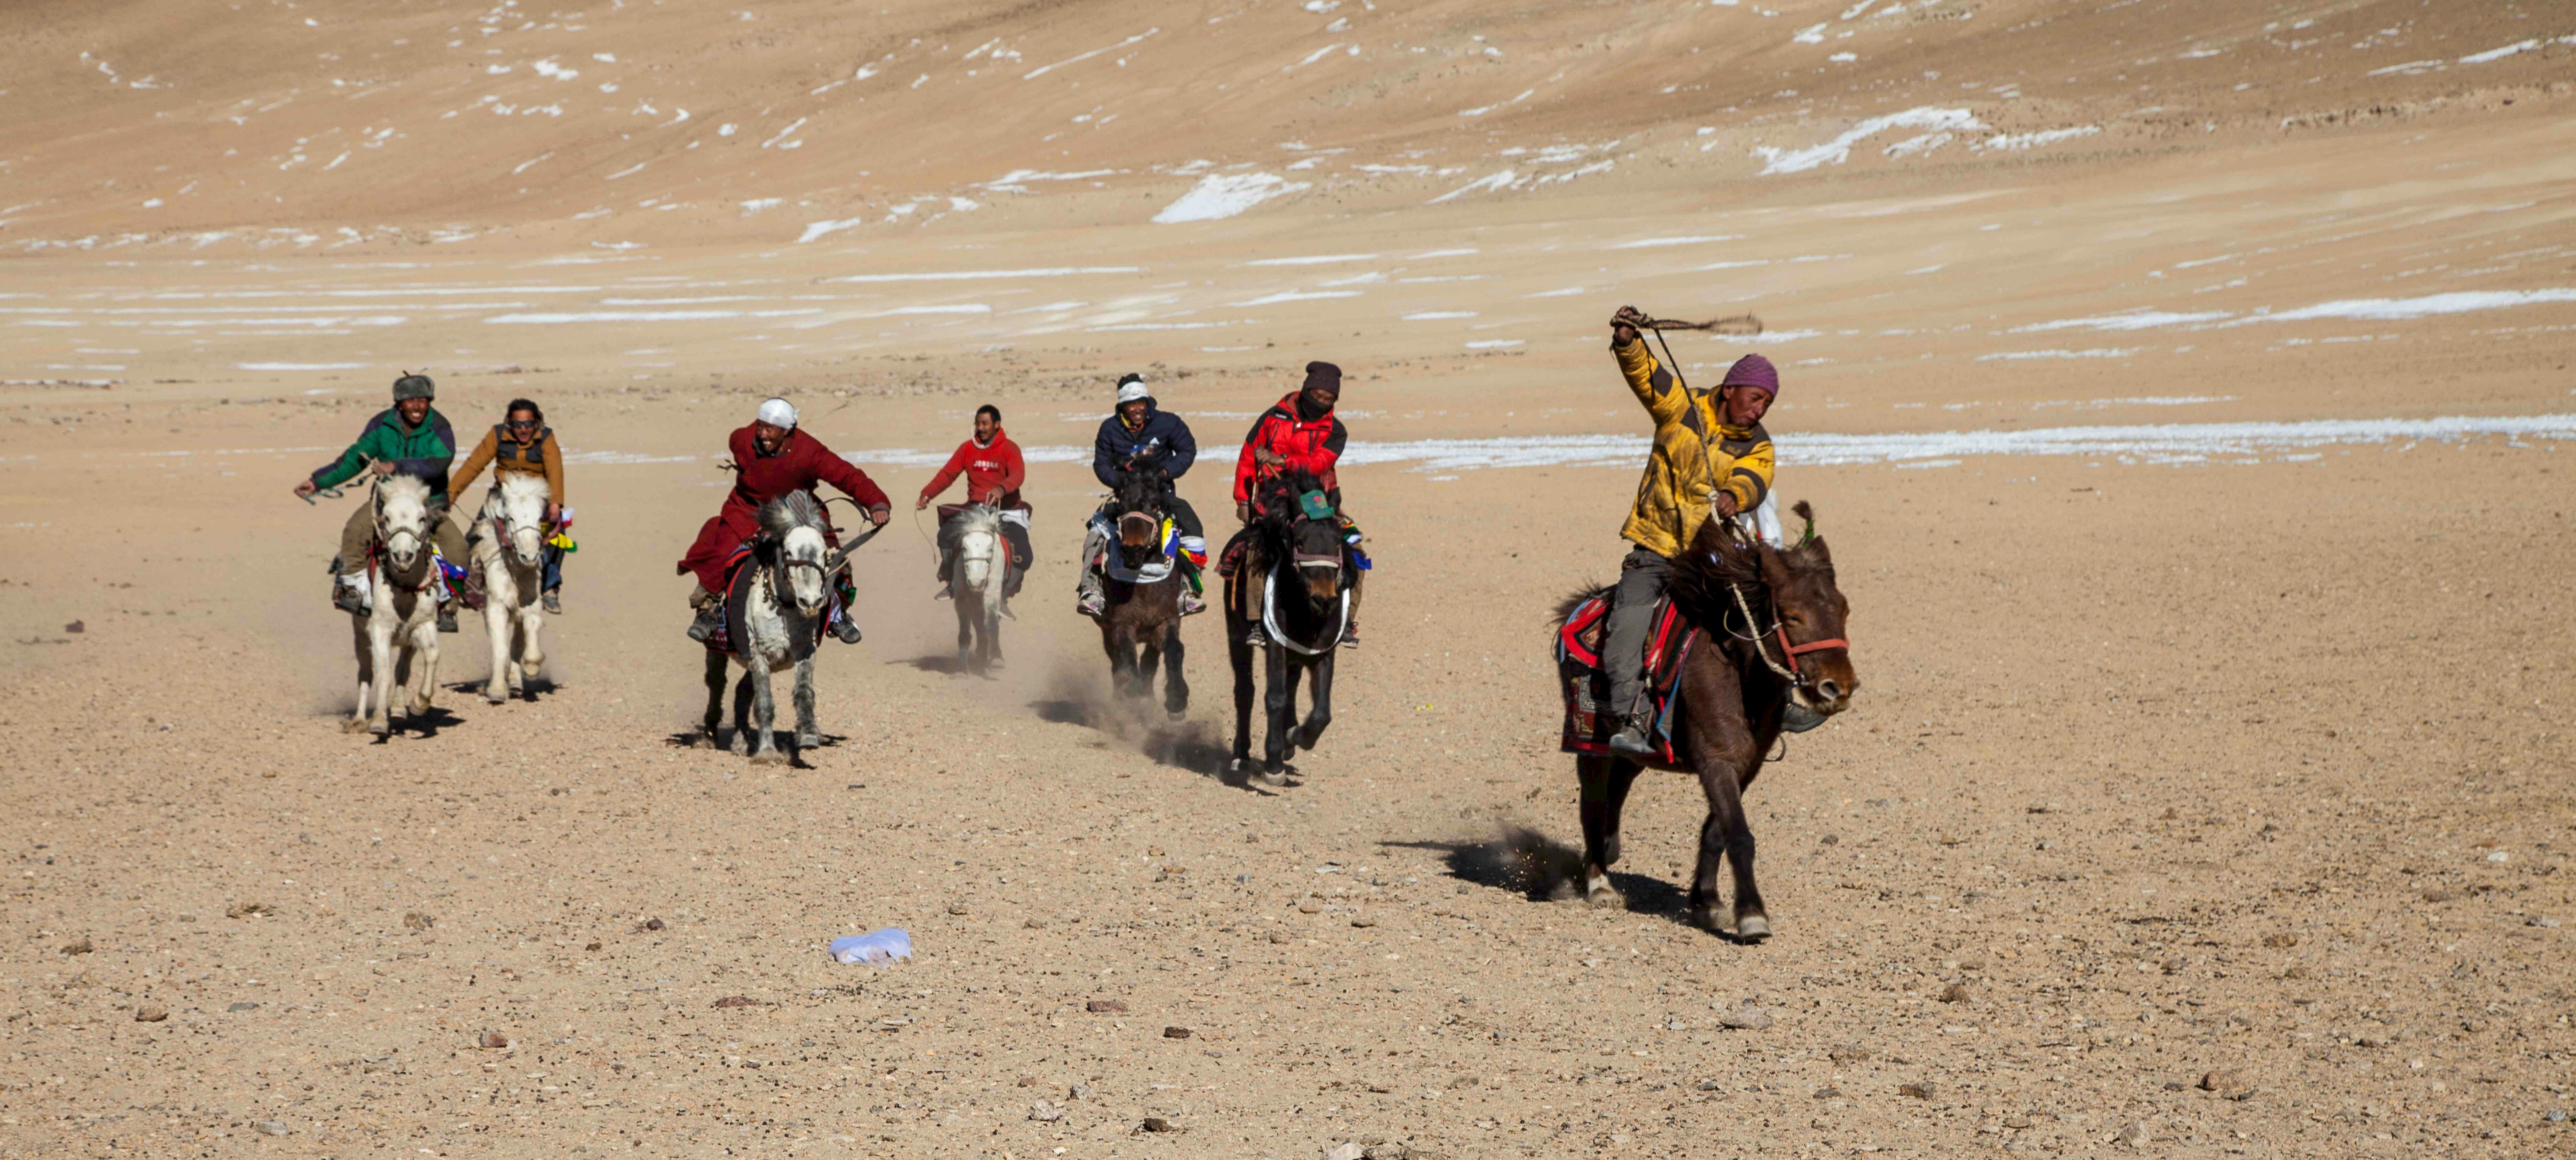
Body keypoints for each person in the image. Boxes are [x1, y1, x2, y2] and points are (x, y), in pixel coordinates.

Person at [1600, 305, 1777, 759]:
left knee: (1761, 618)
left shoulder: (1756, 443)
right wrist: (1627, 340)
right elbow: (1647, 375)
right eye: (1755, 398)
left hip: (1710, 558)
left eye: (1767, 404)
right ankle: (1630, 722)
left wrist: (1734, 496)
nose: (1759, 410)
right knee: (1625, 633)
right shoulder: (1681, 408)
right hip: (1655, 550)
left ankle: (1781, 705)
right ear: (1731, 389)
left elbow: (1756, 477)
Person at [675, 398, 890, 645]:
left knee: (832, 557)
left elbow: (847, 476)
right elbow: (738, 439)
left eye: (770, 429)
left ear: (787, 431)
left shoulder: (811, 452)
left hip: (795, 510)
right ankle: (708, 613)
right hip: (748, 510)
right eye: (761, 426)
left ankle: (837, 614)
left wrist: (877, 503)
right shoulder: (742, 441)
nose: (763, 435)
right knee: (721, 551)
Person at [294, 371, 479, 633]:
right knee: (354, 533)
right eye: (411, 401)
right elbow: (355, 460)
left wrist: (397, 465)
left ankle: (450, 608)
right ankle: (353, 591)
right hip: (387, 503)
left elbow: (440, 463)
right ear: (399, 403)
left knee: (458, 548)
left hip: (429, 504)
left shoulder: (439, 426)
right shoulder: (381, 426)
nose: (417, 407)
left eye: (423, 400)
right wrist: (318, 482)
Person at [1231, 360, 1364, 648]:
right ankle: (1255, 622)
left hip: (1320, 503)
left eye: (1330, 400)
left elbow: (1320, 464)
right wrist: (1243, 498)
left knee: (1355, 551)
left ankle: (1348, 622)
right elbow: (1248, 455)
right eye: (1318, 397)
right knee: (1257, 550)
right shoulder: (1272, 417)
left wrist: (1284, 461)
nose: (1322, 404)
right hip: (1274, 500)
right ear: (1305, 391)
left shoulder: (1336, 431)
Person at [1078, 373, 1207, 617]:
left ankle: (1188, 590)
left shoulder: (1168, 423)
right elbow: (1101, 464)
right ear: (1122, 407)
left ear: (1147, 402)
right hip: (1124, 497)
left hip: (1160, 494)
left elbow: (1188, 449)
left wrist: (1166, 472)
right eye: (1131, 404)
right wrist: (1120, 481)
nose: (1137, 409)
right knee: (1095, 533)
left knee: (1192, 527)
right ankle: (1091, 590)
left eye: (1141, 403)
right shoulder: (1110, 429)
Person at [449, 397, 570, 613]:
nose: (523, 429)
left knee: (557, 539)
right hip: (503, 495)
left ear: (537, 423)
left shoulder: (546, 438)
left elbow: (555, 470)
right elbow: (473, 466)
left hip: (536, 496)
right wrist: (451, 495)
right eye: (517, 424)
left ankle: (550, 589)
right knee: (475, 538)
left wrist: (555, 504)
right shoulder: (497, 435)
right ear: (509, 423)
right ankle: (468, 588)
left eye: (528, 424)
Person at [915, 404, 1031, 601]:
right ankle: (952, 582)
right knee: (945, 535)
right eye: (978, 424)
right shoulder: (967, 449)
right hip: (976, 510)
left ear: (997, 424)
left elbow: (1018, 475)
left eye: (985, 424)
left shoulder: (1009, 448)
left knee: (1025, 553)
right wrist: (928, 494)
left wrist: (1002, 488)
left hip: (1005, 511)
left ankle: (1005, 593)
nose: (981, 428)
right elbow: (948, 474)